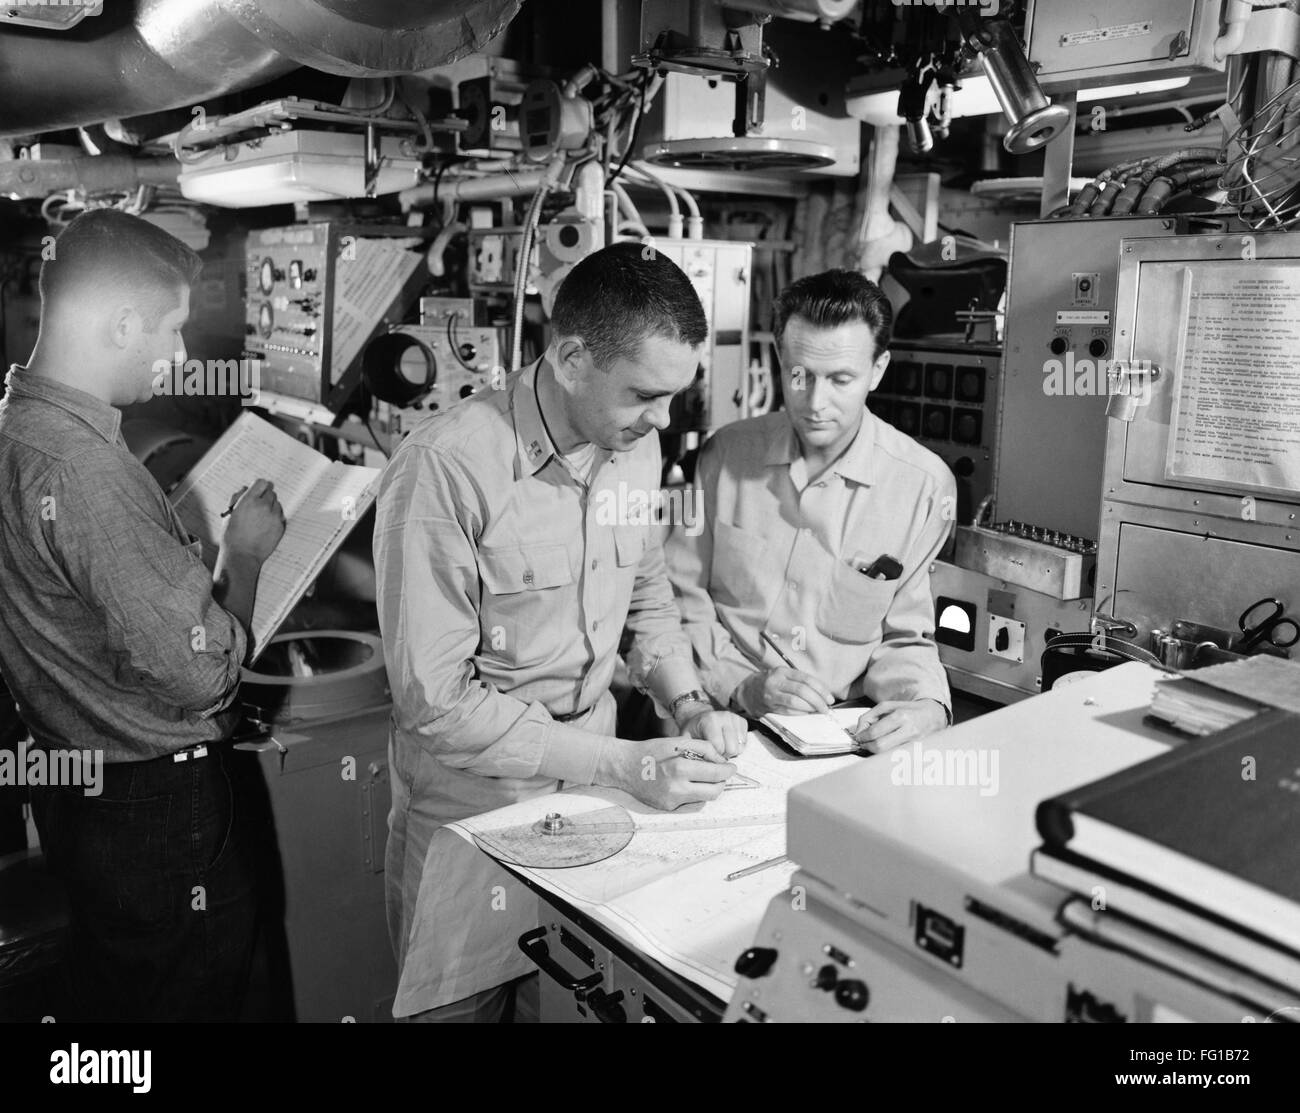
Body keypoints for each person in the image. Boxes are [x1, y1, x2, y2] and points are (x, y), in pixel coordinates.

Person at [374, 241, 749, 1022]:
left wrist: (687, 706)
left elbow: (645, 593)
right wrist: (622, 763)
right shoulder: (447, 468)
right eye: (645, 394)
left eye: (676, 397)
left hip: (596, 793)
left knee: (575, 998)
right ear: (574, 358)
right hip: (473, 804)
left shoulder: (635, 449)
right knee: (462, 1012)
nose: (663, 420)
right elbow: (435, 701)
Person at [0, 209, 286, 1020]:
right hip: (154, 810)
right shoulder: (86, 468)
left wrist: (155, 555)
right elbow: (200, 678)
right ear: (121, 320)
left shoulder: (17, 425)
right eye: (171, 330)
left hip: (81, 788)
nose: (181, 357)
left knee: (120, 996)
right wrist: (247, 556)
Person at [665, 268, 954, 751]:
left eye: (842, 379)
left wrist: (926, 706)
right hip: (715, 720)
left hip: (837, 734)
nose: (816, 402)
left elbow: (905, 638)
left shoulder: (923, 487)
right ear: (780, 358)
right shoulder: (726, 456)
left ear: (878, 369)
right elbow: (678, 598)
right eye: (800, 376)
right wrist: (740, 685)